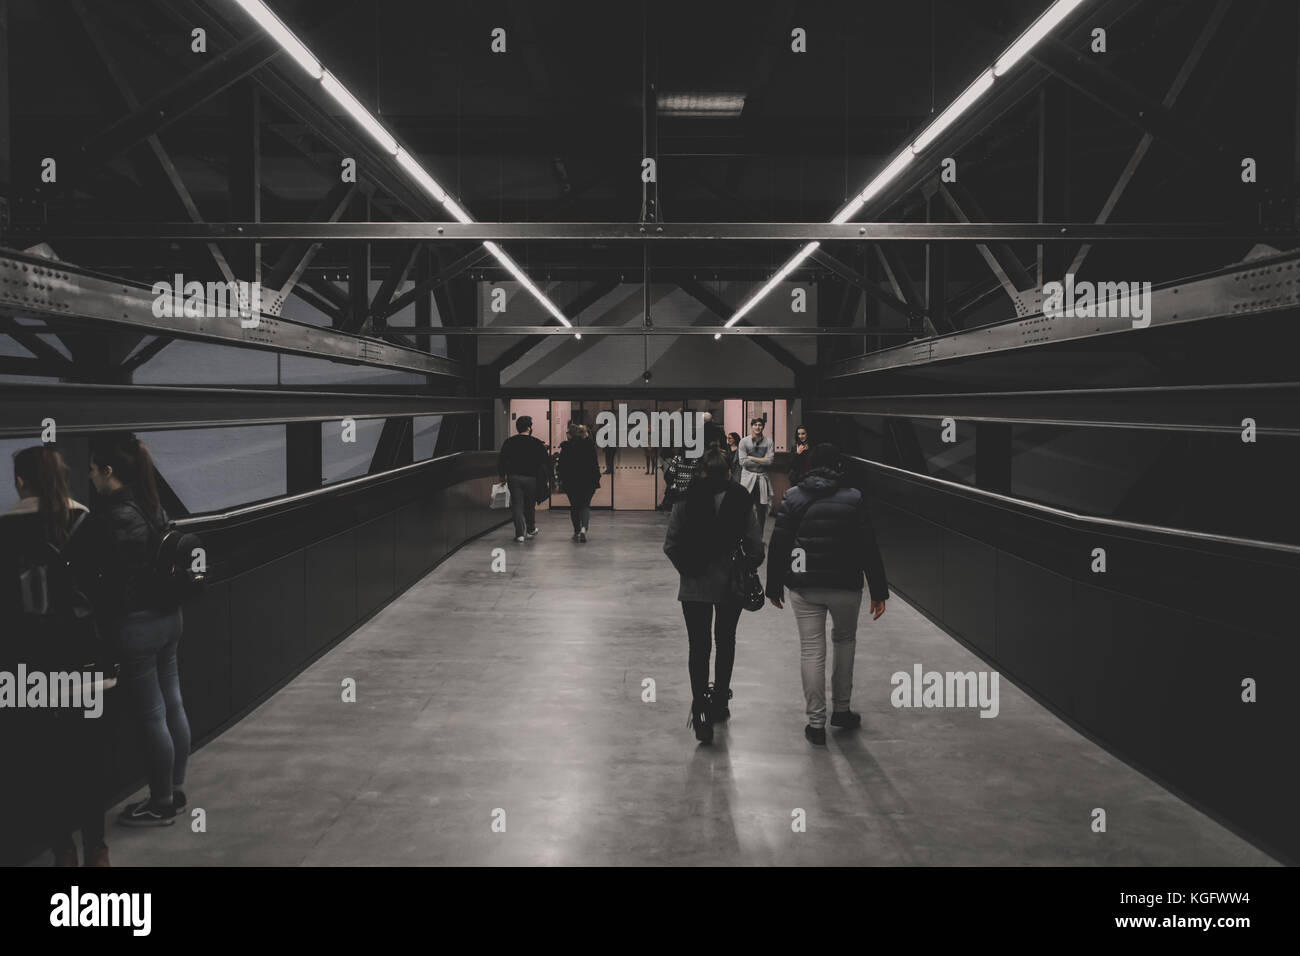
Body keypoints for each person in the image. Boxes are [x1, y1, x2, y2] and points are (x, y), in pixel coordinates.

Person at [0, 446, 111, 866]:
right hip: (81, 658)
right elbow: (102, 590)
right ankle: (97, 850)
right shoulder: (84, 520)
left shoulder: (5, 530)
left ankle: (62, 849)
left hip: (27, 664)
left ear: (20, 481)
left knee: (44, 759)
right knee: (87, 755)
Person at [85, 433, 192, 826]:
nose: (91, 476)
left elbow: (98, 579)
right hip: (170, 618)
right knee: (174, 702)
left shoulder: (109, 518)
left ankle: (161, 803)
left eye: (93, 470)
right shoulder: (153, 506)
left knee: (151, 714)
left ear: (108, 471)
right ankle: (176, 791)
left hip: (136, 627)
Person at [765, 444, 889, 747]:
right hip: (846, 583)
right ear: (838, 467)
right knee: (844, 641)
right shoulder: (854, 498)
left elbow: (779, 542)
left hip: (805, 585)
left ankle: (816, 723)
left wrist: (773, 585)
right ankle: (842, 711)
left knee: (811, 650)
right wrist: (878, 589)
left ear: (809, 466)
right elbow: (868, 544)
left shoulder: (794, 496)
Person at [663, 447, 764, 744]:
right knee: (725, 641)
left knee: (699, 646)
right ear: (729, 471)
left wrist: (688, 567)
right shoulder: (741, 499)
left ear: (702, 472)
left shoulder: (685, 499)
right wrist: (745, 565)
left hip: (694, 586)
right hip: (730, 585)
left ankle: (701, 712)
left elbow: (671, 544)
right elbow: (756, 546)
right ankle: (720, 700)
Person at [497, 415, 550, 543]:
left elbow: (502, 459)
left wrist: (502, 475)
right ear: (529, 427)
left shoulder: (509, 441)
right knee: (529, 505)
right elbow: (544, 462)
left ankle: (519, 534)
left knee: (517, 505)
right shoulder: (536, 443)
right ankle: (531, 529)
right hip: (531, 478)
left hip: (514, 477)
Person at [556, 424, 600, 543]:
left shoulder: (567, 447)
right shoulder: (589, 445)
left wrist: (561, 479)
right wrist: (597, 478)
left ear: (570, 434)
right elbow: (594, 464)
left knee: (575, 506)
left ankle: (576, 530)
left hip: (571, 481)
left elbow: (562, 466)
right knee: (585, 505)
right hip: (588, 481)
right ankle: (584, 528)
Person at [736, 418, 775, 536]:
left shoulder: (768, 442)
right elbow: (743, 462)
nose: (758, 427)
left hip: (762, 478)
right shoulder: (744, 441)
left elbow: (770, 462)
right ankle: (743, 535)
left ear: (763, 427)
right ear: (751, 426)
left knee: (761, 509)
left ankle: (759, 537)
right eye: (755, 425)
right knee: (744, 507)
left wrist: (752, 457)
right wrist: (762, 459)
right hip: (747, 477)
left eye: (760, 425)